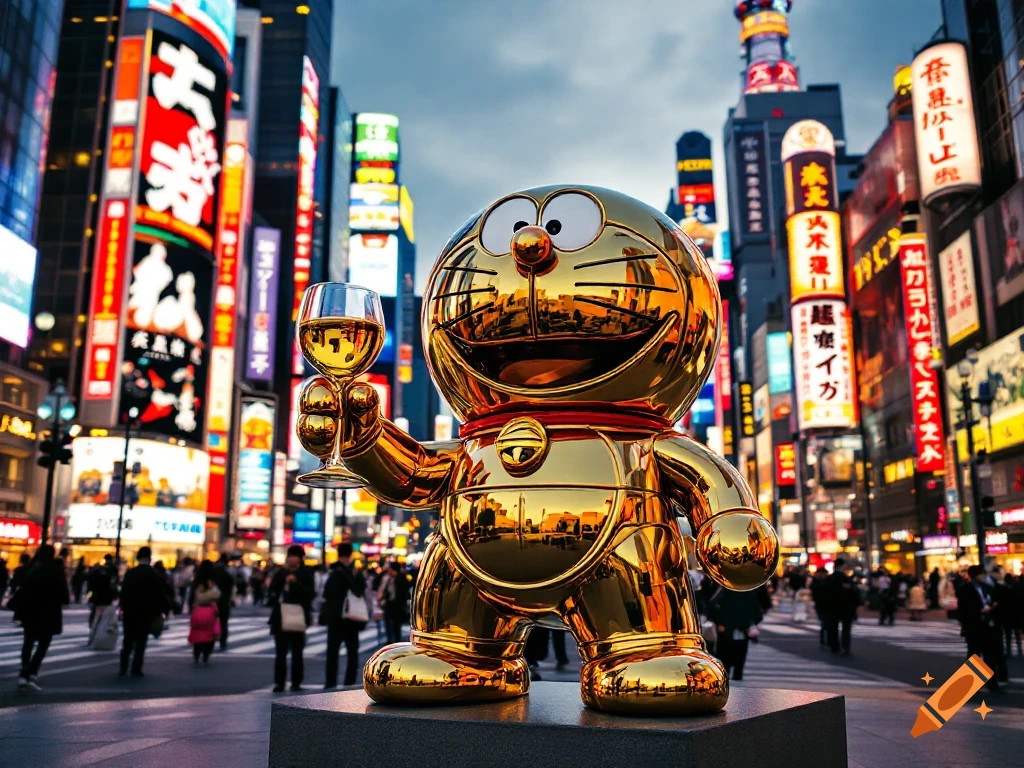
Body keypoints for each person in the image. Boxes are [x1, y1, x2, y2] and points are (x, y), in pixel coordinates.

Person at [11, 545, 69, 691]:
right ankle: (32, 670)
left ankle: (24, 669)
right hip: (49, 612)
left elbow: (21, 587)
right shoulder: (56, 570)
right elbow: (64, 594)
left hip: (30, 611)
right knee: (43, 643)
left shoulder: (30, 568)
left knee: (28, 642)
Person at [268, 545, 314, 692]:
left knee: (297, 652)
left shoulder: (305, 573)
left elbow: (310, 594)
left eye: (295, 556)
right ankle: (279, 682)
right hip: (280, 615)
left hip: (297, 614)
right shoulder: (282, 572)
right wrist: (283, 579)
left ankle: (296, 681)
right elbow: (272, 590)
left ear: (300, 558)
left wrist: (296, 583)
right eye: (290, 556)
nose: (292, 559)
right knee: (280, 652)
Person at [118, 546, 170, 677]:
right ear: (149, 557)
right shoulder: (154, 574)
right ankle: (136, 667)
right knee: (141, 641)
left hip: (130, 611)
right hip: (146, 611)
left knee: (128, 640)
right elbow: (160, 594)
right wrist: (163, 610)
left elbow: (124, 592)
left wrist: (122, 607)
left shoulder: (131, 573)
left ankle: (123, 667)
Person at [322, 543, 368, 689]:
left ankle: (330, 682)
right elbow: (362, 590)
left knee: (332, 651)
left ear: (338, 554)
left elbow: (327, 593)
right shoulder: (356, 571)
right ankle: (349, 682)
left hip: (336, 616)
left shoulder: (334, 571)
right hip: (352, 617)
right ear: (351, 554)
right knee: (352, 651)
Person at [956, 565, 1004, 693]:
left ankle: (992, 685)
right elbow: (963, 610)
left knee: (990, 657)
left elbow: (995, 600)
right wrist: (977, 613)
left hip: (988, 627)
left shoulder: (987, 587)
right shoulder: (964, 589)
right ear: (974, 575)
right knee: (973, 657)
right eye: (980, 574)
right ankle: (968, 686)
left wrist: (992, 608)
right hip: (973, 627)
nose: (982, 576)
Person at [707, 586, 763, 681]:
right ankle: (736, 675)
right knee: (740, 655)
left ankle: (725, 676)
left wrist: (718, 622)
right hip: (742, 628)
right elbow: (756, 612)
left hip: (726, 627)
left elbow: (712, 605)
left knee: (724, 655)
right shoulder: (748, 592)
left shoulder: (725, 591)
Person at [823, 558, 860, 656]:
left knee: (832, 627)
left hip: (832, 606)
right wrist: (855, 605)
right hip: (846, 606)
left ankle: (834, 646)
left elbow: (823, 593)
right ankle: (845, 647)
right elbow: (853, 593)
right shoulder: (846, 579)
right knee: (846, 628)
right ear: (842, 566)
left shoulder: (828, 579)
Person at [188, 561, 221, 666]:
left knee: (197, 631)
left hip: (198, 609)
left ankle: (196, 653)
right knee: (209, 632)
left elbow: (191, 596)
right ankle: (206, 654)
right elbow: (217, 595)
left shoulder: (197, 580)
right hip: (209, 609)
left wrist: (190, 607)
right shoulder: (211, 581)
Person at [376, 561, 410, 643]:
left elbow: (404, 592)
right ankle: (390, 640)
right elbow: (376, 582)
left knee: (396, 625)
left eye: (389, 568)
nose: (388, 570)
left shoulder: (401, 577)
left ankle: (396, 640)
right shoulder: (387, 578)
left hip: (398, 605)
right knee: (388, 623)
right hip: (389, 604)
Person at [87, 555, 117, 629]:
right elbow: (114, 583)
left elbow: (91, 582)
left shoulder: (99, 570)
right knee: (107, 611)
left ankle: (93, 624)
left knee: (96, 610)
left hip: (98, 595)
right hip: (107, 596)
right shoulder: (113, 570)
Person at [212, 554, 234, 650]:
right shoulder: (227, 573)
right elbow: (231, 587)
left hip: (212, 599)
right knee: (223, 622)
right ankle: (223, 641)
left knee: (212, 620)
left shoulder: (213, 571)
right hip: (224, 599)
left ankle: (211, 640)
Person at [810, 568, 829, 648]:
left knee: (824, 623)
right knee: (824, 623)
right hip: (822, 604)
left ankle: (824, 641)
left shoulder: (818, 581)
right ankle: (824, 641)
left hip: (822, 604)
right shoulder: (817, 581)